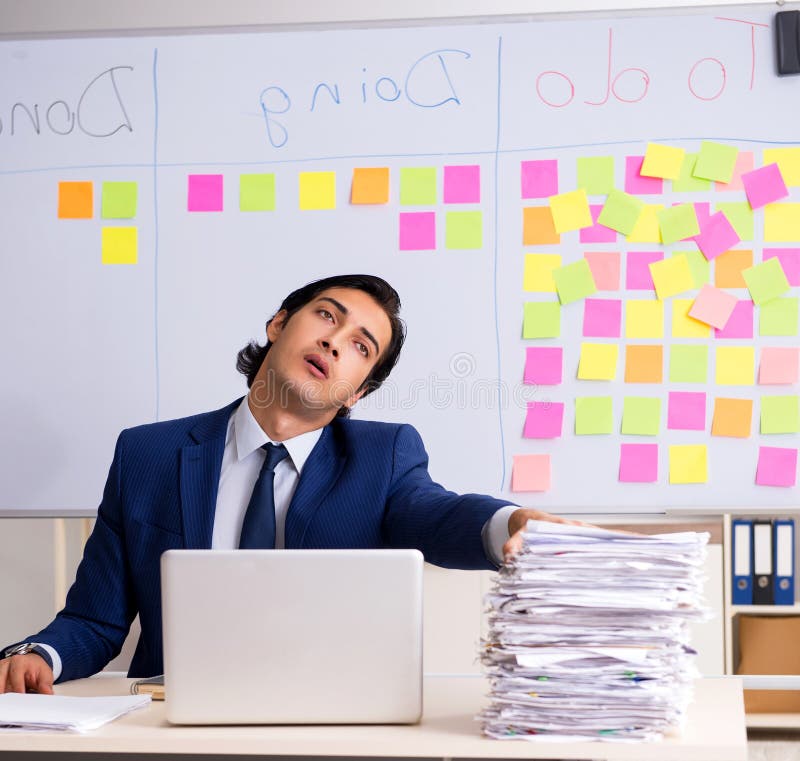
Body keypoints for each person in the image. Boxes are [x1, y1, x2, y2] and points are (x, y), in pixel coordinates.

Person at [0, 274, 574, 695]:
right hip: (171, 722)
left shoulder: (382, 457)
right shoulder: (147, 454)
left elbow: (436, 514)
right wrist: (39, 655)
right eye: (326, 316)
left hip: (323, 726)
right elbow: (95, 620)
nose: (334, 341)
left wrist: (510, 522)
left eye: (361, 346)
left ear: (357, 392)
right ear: (278, 325)